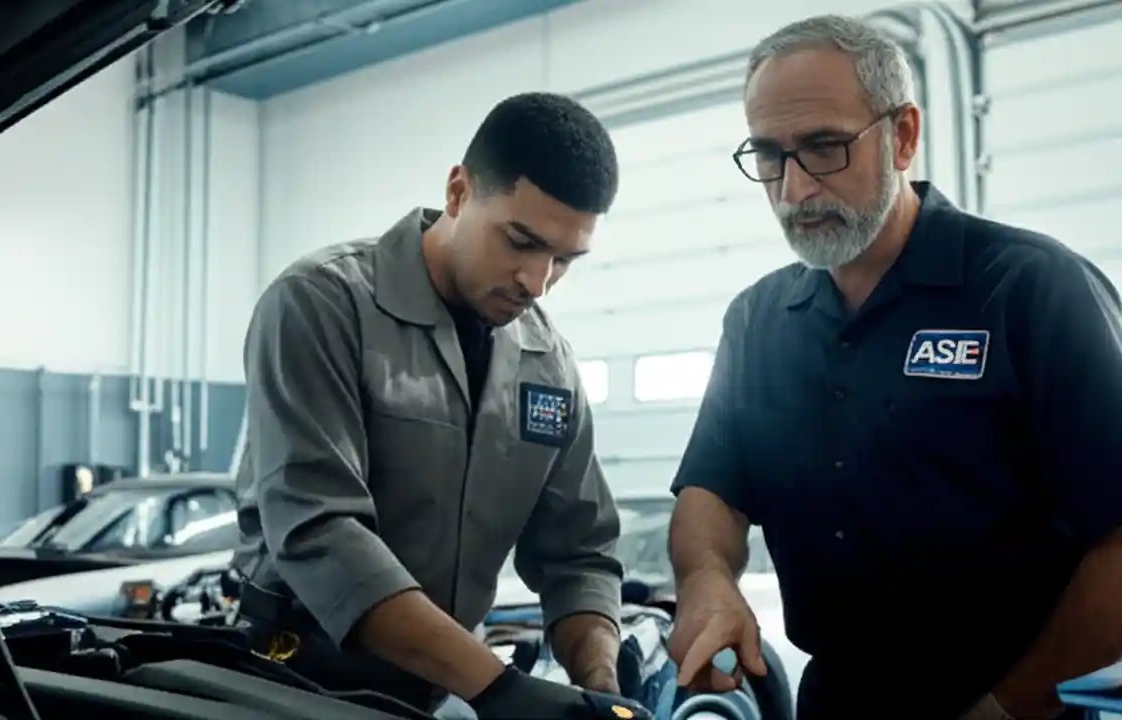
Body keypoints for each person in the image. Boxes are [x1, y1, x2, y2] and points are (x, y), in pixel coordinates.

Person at [665, 14, 1122, 720]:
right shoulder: (757, 322)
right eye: (768, 155)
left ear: (903, 135)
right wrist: (706, 578)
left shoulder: (1028, 289)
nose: (793, 191)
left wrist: (1002, 711)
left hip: (1031, 699)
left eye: (823, 148)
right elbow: (713, 490)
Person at [231, 91, 652, 720]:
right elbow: (322, 531)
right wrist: (502, 691)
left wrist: (599, 685)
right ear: (458, 192)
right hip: (295, 684)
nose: (537, 283)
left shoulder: (550, 363)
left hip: (447, 689)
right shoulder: (322, 304)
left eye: (564, 259)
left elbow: (579, 553)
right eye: (520, 241)